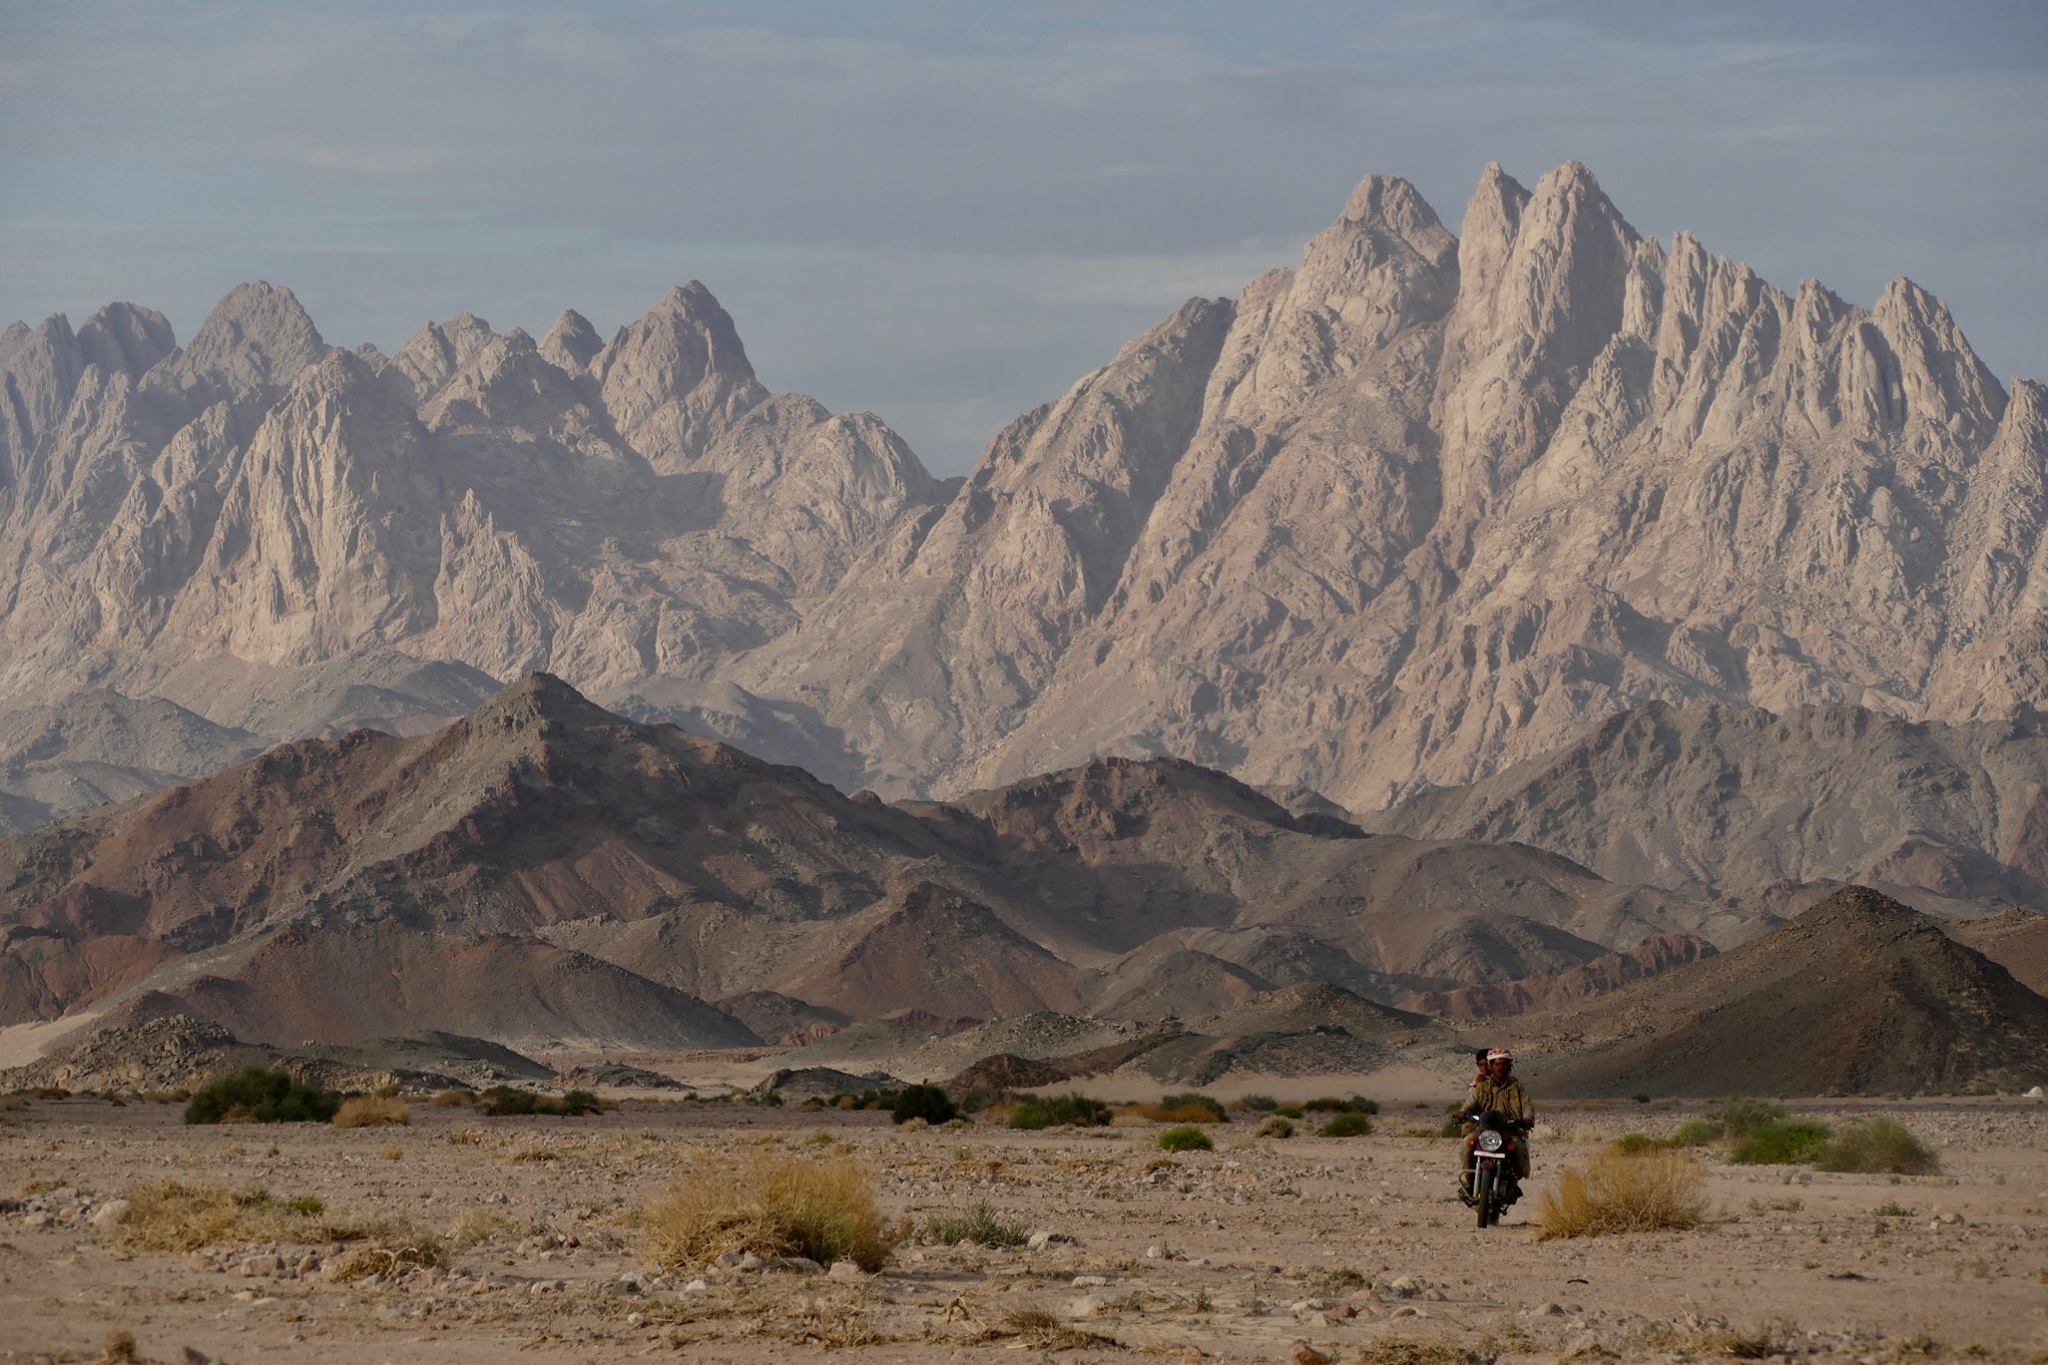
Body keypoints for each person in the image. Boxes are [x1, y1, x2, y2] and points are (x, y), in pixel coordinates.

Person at [1457, 1047, 1533, 1202]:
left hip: (1509, 1130)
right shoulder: (1482, 1087)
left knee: (1518, 1147)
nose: (1501, 1067)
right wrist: (1463, 1112)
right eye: (1497, 1064)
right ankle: (1470, 1180)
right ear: (1491, 1066)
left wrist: (1526, 1119)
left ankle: (1514, 1182)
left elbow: (1527, 1107)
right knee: (1466, 1144)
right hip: (1483, 1129)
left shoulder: (1517, 1087)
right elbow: (1469, 1104)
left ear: (1509, 1066)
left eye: (1504, 1064)